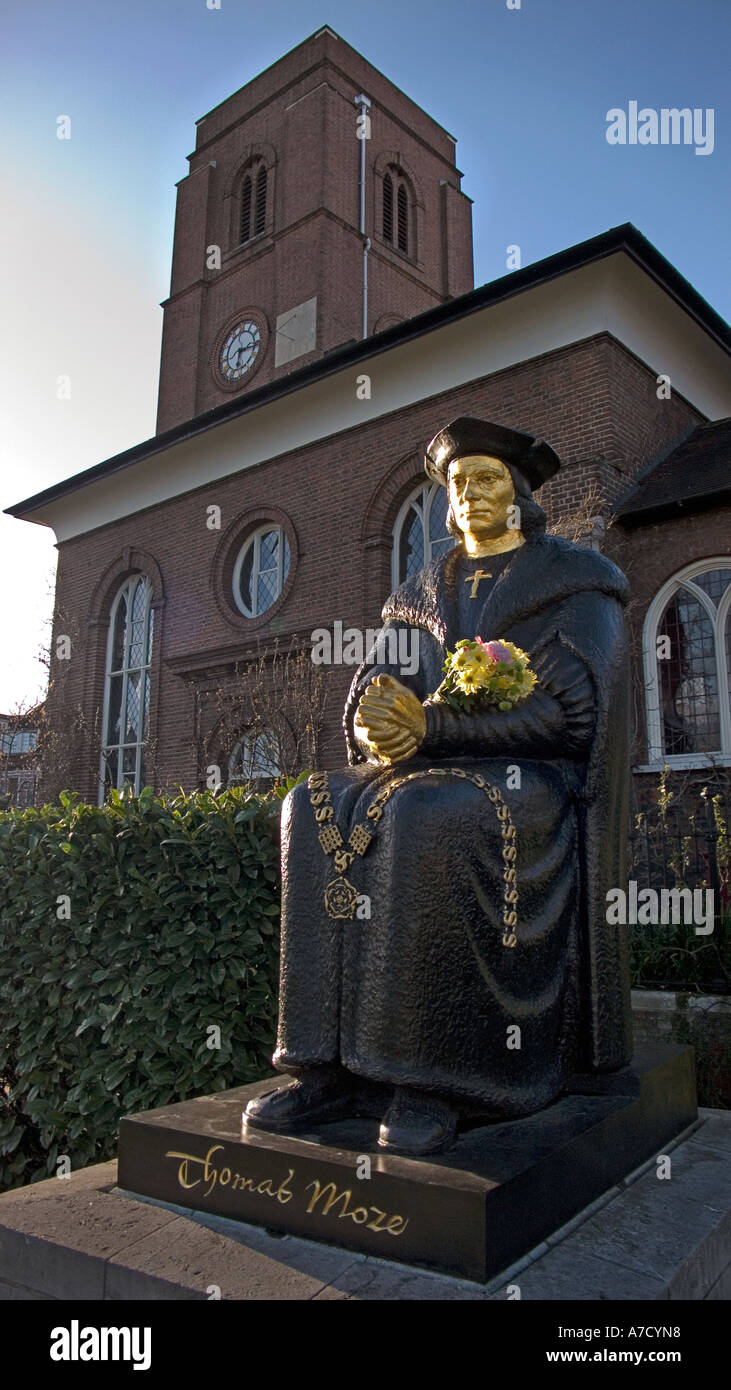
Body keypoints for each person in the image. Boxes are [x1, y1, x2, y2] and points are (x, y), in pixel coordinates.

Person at [244, 417, 632, 1155]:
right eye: (458, 484)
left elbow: (570, 714)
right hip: (424, 766)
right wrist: (373, 725)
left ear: (518, 494)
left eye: (487, 480)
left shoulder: (573, 581)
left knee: (427, 814)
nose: (471, 495)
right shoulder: (417, 592)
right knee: (309, 803)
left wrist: (435, 731)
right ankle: (322, 1068)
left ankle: (432, 1079)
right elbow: (372, 689)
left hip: (531, 780)